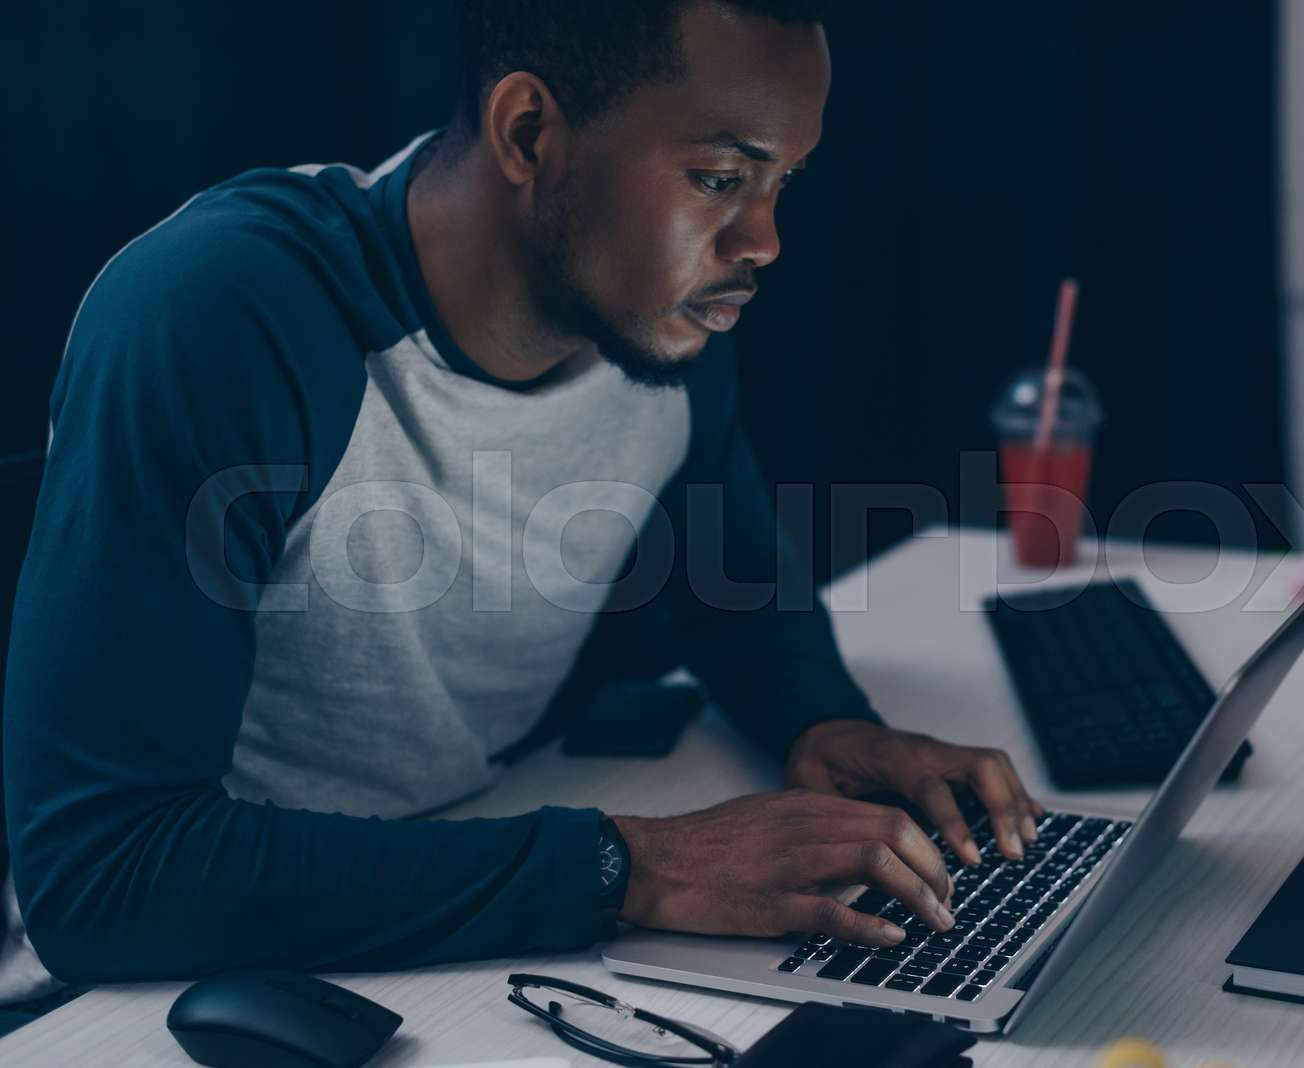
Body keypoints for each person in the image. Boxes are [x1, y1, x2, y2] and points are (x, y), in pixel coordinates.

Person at [0, 0, 1041, 1002]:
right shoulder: (224, 313)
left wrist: (823, 718)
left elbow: (730, 592)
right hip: (159, 987)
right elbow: (102, 872)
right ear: (530, 131)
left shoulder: (649, 309)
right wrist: (626, 867)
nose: (762, 241)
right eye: (720, 179)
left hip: (457, 898)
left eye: (782, 182)